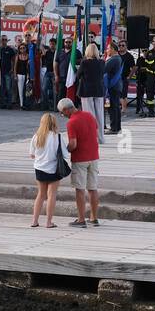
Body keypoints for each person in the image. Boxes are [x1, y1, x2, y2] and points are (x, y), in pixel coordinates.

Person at [58, 97, 100, 227]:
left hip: (80, 159)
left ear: (66, 109)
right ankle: (94, 218)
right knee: (93, 188)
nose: (62, 115)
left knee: (80, 189)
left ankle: (81, 219)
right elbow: (96, 133)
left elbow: (73, 144)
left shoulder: (72, 122)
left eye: (62, 112)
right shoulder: (89, 116)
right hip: (94, 156)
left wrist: (64, 151)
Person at [29, 111, 69, 228]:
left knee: (40, 194)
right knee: (51, 195)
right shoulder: (58, 137)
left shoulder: (36, 136)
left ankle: (34, 221)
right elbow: (65, 154)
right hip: (54, 168)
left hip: (39, 168)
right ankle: (48, 222)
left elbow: (32, 154)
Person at [77, 43, 106, 144]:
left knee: (89, 114)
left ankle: (91, 138)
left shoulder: (84, 62)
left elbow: (78, 75)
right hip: (98, 89)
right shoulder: (102, 62)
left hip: (87, 90)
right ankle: (101, 138)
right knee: (100, 115)